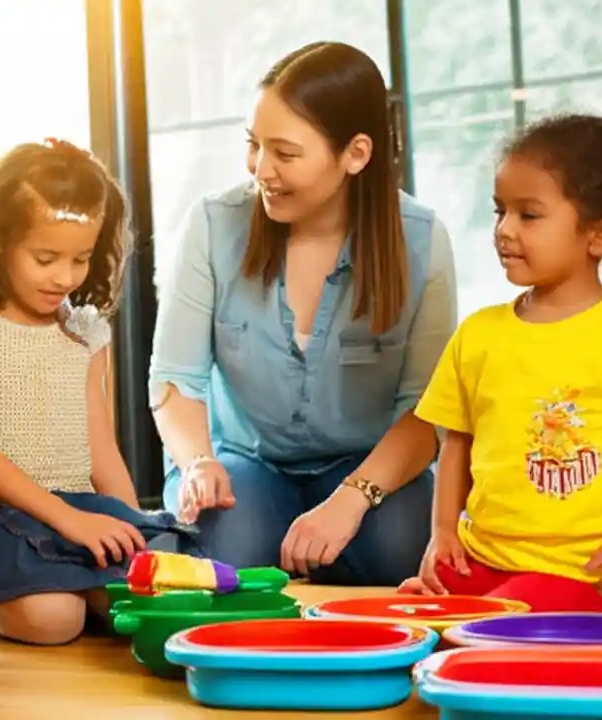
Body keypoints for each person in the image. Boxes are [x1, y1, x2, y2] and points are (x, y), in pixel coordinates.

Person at [402, 113, 602, 631]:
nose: (504, 230)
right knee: (417, 613)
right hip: (485, 559)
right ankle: (489, 610)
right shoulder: (478, 334)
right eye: (499, 211)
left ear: (600, 234)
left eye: (529, 215)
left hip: (585, 572)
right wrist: (443, 533)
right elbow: (456, 441)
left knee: (493, 625)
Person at [148, 41, 456, 585]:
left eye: (284, 154)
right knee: (224, 553)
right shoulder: (214, 225)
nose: (260, 169)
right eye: (254, 146)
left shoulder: (423, 241)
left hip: (364, 467)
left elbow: (427, 410)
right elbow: (177, 378)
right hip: (242, 462)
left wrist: (353, 499)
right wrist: (198, 462)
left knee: (401, 551)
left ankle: (321, 551)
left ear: (356, 154)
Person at [0, 138, 198, 645]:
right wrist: (67, 519)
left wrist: (133, 529)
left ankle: (76, 583)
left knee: (152, 596)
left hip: (81, 511)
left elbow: (100, 448)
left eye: (81, 259)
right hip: (0, 516)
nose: (64, 278)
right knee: (55, 621)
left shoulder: (85, 331)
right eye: (45, 258)